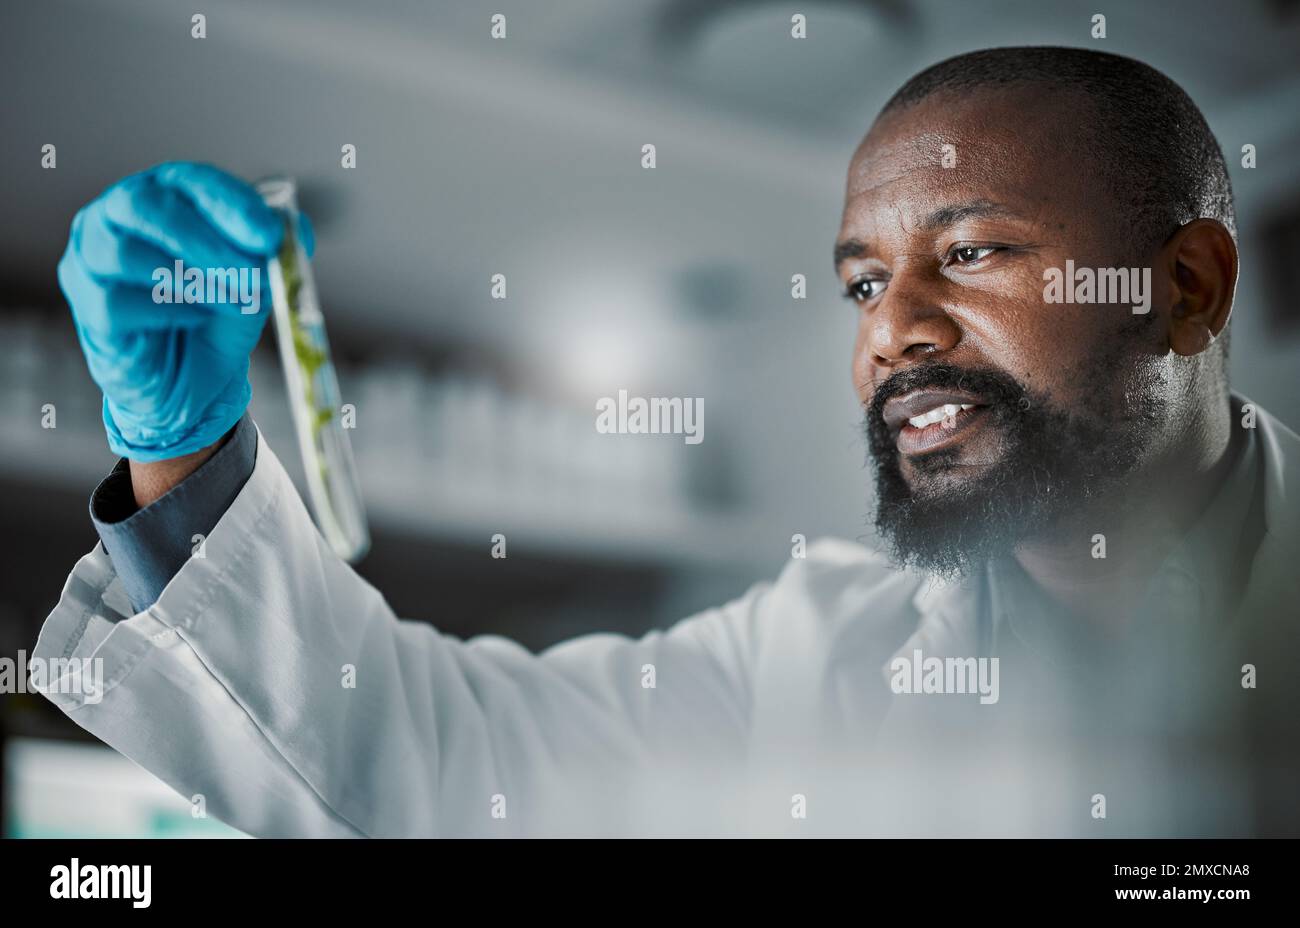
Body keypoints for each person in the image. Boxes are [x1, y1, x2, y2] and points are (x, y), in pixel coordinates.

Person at [32, 47, 1300, 837]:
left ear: (1184, 287)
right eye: (862, 285)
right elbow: (424, 759)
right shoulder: (805, 658)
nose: (892, 333)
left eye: (970, 254)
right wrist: (186, 450)